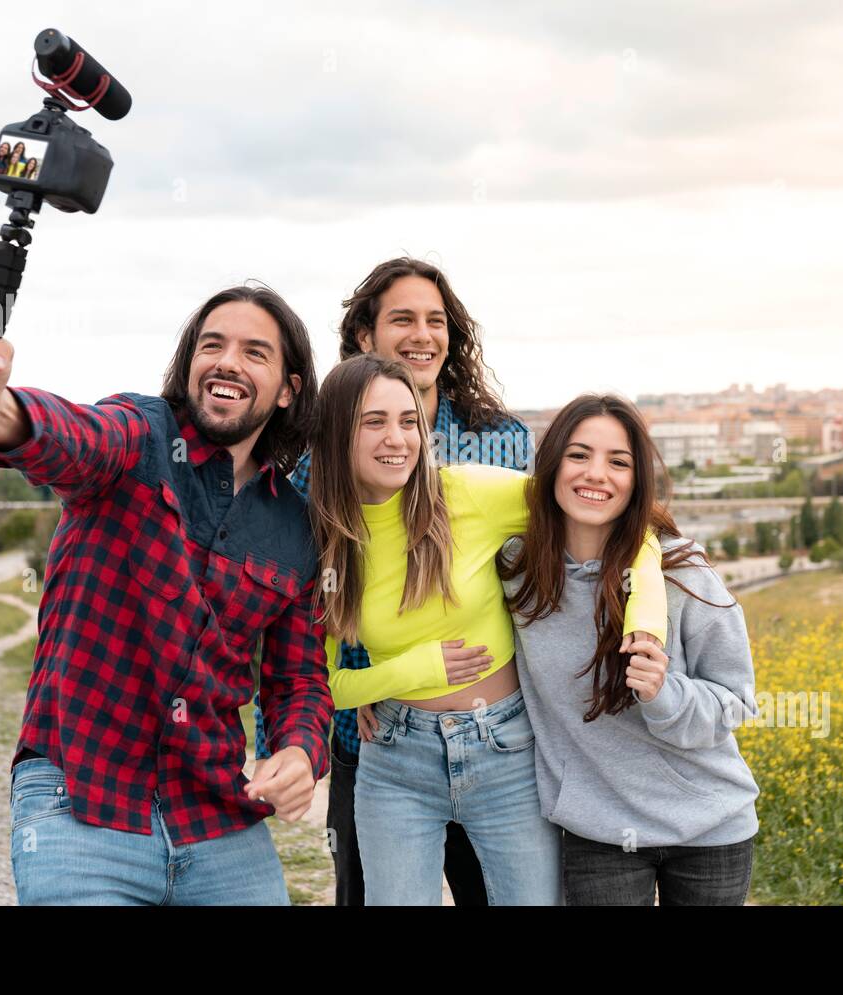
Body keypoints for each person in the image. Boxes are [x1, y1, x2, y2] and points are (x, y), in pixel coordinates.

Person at [0, 284, 333, 905]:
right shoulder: (139, 435)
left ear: (288, 389)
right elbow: (71, 437)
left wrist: (300, 750)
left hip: (216, 816)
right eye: (211, 345)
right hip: (80, 799)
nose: (226, 362)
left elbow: (298, 679)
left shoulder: (296, 529)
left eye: (254, 352)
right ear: (190, 363)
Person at [310, 354, 669, 905]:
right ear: (338, 431)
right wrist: (401, 674)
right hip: (395, 760)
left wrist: (646, 623)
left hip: (508, 753)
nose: (397, 439)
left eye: (409, 421)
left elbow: (622, 523)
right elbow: (318, 685)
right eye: (373, 421)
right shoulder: (326, 539)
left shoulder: (467, 493)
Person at [254, 257, 531, 906]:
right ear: (363, 337)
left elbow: (536, 578)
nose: (422, 335)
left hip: (493, 728)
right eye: (402, 319)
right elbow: (306, 592)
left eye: (436, 321)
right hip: (374, 736)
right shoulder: (316, 462)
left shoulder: (504, 442)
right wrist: (371, 677)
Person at [496, 394, 760, 906]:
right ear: (550, 466)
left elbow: (736, 700)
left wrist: (664, 694)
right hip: (600, 832)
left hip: (710, 830)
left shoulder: (682, 574)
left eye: (618, 462)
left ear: (637, 482)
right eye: (579, 455)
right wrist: (383, 687)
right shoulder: (516, 574)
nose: (597, 474)